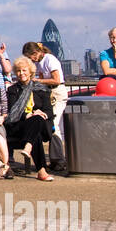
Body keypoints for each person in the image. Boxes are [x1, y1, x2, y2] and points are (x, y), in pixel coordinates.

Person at [5, 57, 54, 181]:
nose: (21, 73)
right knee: (35, 132)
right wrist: (27, 115)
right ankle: (41, 171)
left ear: (31, 71)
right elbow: (12, 113)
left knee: (37, 119)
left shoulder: (42, 89)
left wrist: (40, 113)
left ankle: (28, 146)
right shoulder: (13, 90)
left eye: (24, 70)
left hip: (39, 123)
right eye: (19, 71)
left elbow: (49, 112)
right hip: (19, 125)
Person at [23, 41, 68, 171]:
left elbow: (56, 79)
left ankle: (59, 159)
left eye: (30, 57)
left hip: (57, 92)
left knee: (54, 124)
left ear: (35, 53)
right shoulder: (40, 63)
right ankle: (55, 159)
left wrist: (38, 80)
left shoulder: (50, 59)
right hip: (50, 92)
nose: (30, 60)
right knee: (49, 123)